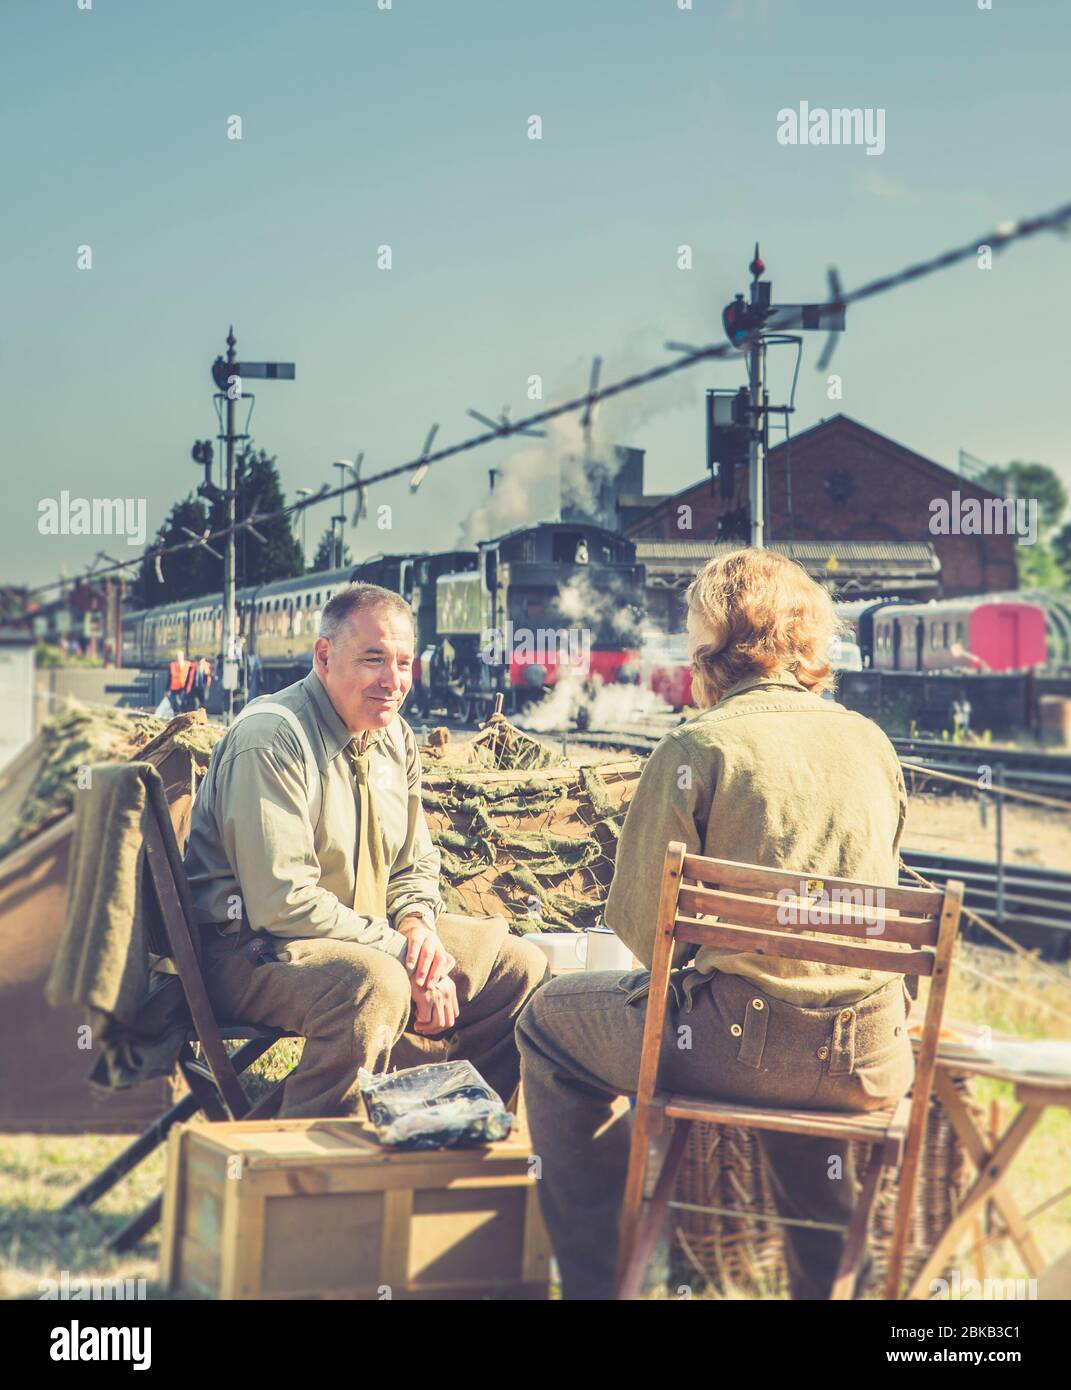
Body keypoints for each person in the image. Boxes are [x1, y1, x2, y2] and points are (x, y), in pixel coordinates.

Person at [517, 548, 915, 1300]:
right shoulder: (870, 740)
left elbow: (644, 933)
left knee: (546, 1022)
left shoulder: (695, 746)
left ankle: (598, 1285)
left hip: (739, 1050)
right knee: (795, 1029)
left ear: (710, 647)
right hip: (868, 1059)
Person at [183, 582, 549, 1117]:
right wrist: (403, 955)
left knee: (518, 967)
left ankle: (440, 1129)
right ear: (324, 657)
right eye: (373, 659)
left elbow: (414, 864)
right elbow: (281, 903)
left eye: (403, 663)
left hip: (363, 930)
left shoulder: (395, 737)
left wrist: (418, 927)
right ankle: (315, 1171)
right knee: (374, 985)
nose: (393, 681)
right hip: (247, 952)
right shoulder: (272, 738)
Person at [168, 648, 192, 714]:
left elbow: (191, 676)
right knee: (176, 705)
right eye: (177, 656)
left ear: (183, 657)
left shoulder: (188, 664)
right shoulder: (172, 665)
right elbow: (169, 678)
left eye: (180, 656)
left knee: (184, 704)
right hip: (174, 688)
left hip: (184, 688)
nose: (178, 658)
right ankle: (177, 718)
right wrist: (167, 689)